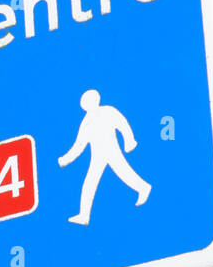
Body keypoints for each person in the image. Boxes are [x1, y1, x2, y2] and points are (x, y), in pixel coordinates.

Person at [59, 89, 151, 225]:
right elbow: (79, 145)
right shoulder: (86, 122)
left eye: (85, 101)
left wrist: (129, 141)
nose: (83, 104)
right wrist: (65, 159)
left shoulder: (108, 111)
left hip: (111, 150)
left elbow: (123, 125)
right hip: (98, 155)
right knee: (91, 181)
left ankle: (143, 188)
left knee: (123, 173)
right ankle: (84, 215)